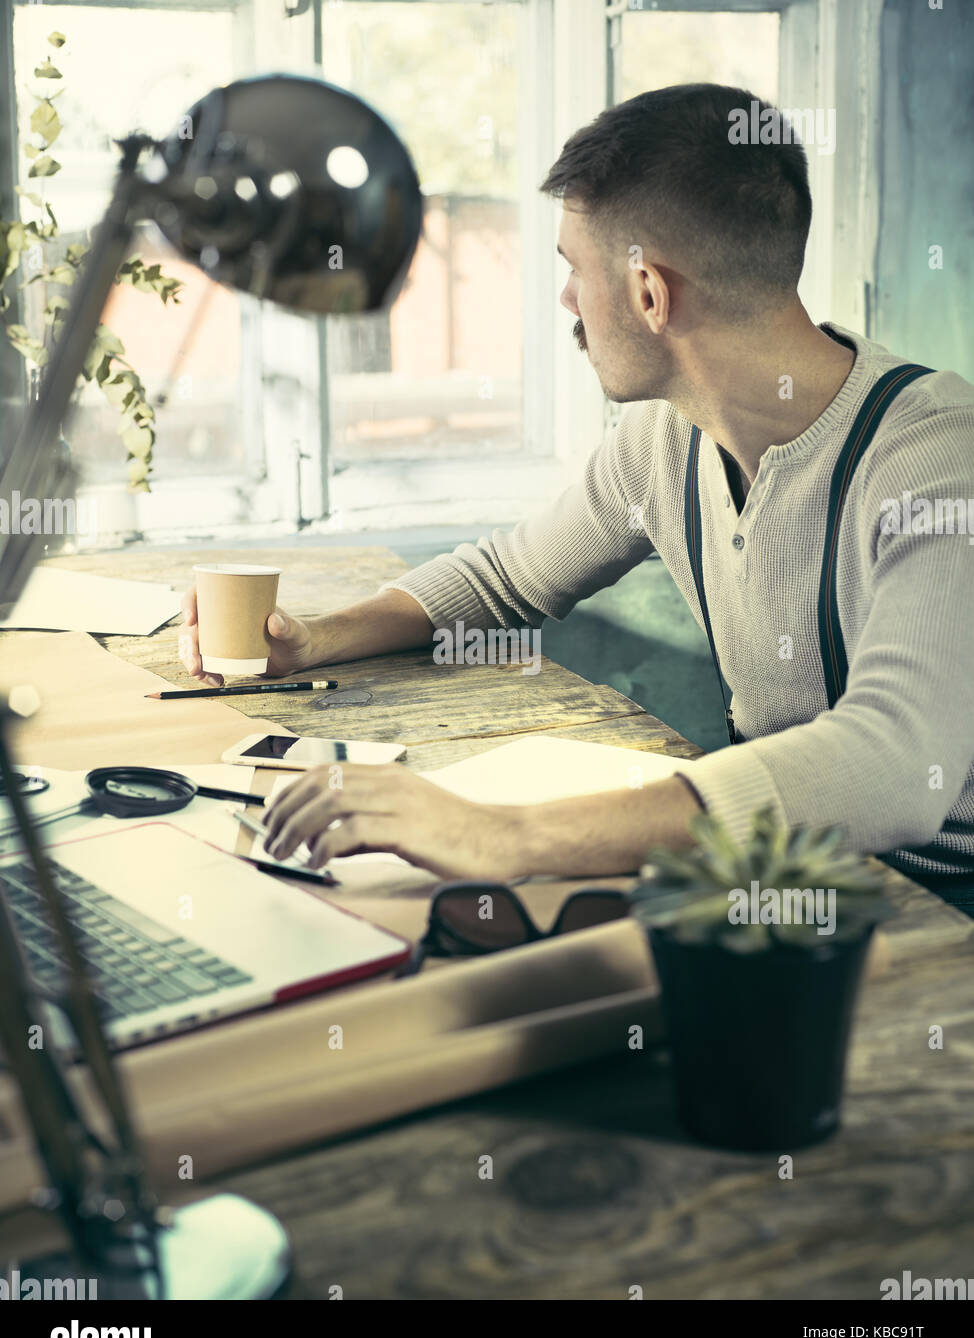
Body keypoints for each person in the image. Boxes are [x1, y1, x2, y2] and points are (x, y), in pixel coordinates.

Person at [178, 83, 974, 907]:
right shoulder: (665, 441)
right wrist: (313, 640)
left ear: (649, 295)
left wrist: (503, 834)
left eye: (574, 271)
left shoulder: (937, 462)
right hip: (775, 878)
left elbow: (895, 761)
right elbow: (504, 578)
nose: (567, 302)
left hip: (942, 915)